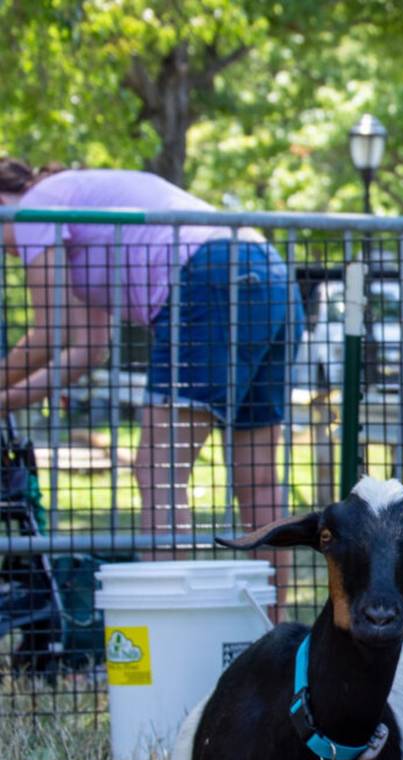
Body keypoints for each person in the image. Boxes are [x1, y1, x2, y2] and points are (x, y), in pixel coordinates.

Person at [0, 160, 302, 611]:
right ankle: (276, 642)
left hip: (210, 279)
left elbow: (50, 333)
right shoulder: (70, 207)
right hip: (269, 272)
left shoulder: (36, 209)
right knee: (257, 479)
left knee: (159, 474)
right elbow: (85, 349)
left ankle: (165, 635)